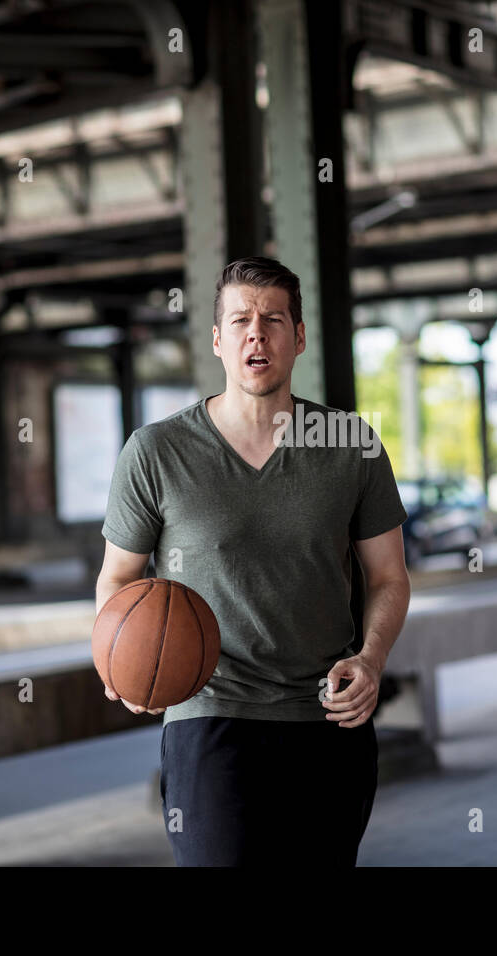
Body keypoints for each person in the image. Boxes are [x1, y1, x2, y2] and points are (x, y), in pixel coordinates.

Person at [95, 255, 411, 866]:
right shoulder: (156, 452)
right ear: (218, 340)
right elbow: (118, 576)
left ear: (298, 337)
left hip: (328, 718)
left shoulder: (353, 447)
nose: (256, 333)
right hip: (211, 716)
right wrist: (121, 662)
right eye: (239, 320)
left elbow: (388, 577)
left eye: (272, 319)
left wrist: (371, 661)